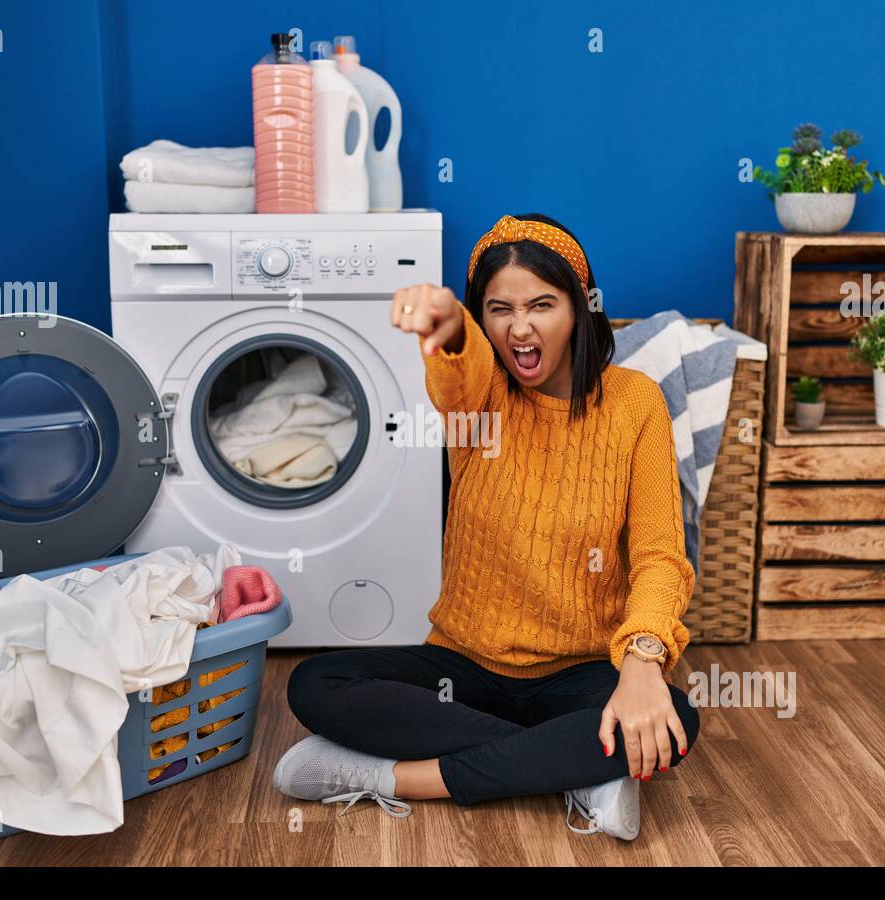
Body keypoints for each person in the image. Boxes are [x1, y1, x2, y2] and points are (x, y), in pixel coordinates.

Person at [272, 212, 698, 839]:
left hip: (582, 670)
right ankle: (579, 766)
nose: (519, 327)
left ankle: (387, 778)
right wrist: (447, 325)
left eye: (542, 305)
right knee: (314, 682)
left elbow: (662, 555)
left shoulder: (636, 403)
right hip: (464, 670)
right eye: (498, 308)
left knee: (676, 719)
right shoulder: (483, 397)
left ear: (580, 307)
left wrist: (640, 664)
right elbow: (458, 366)